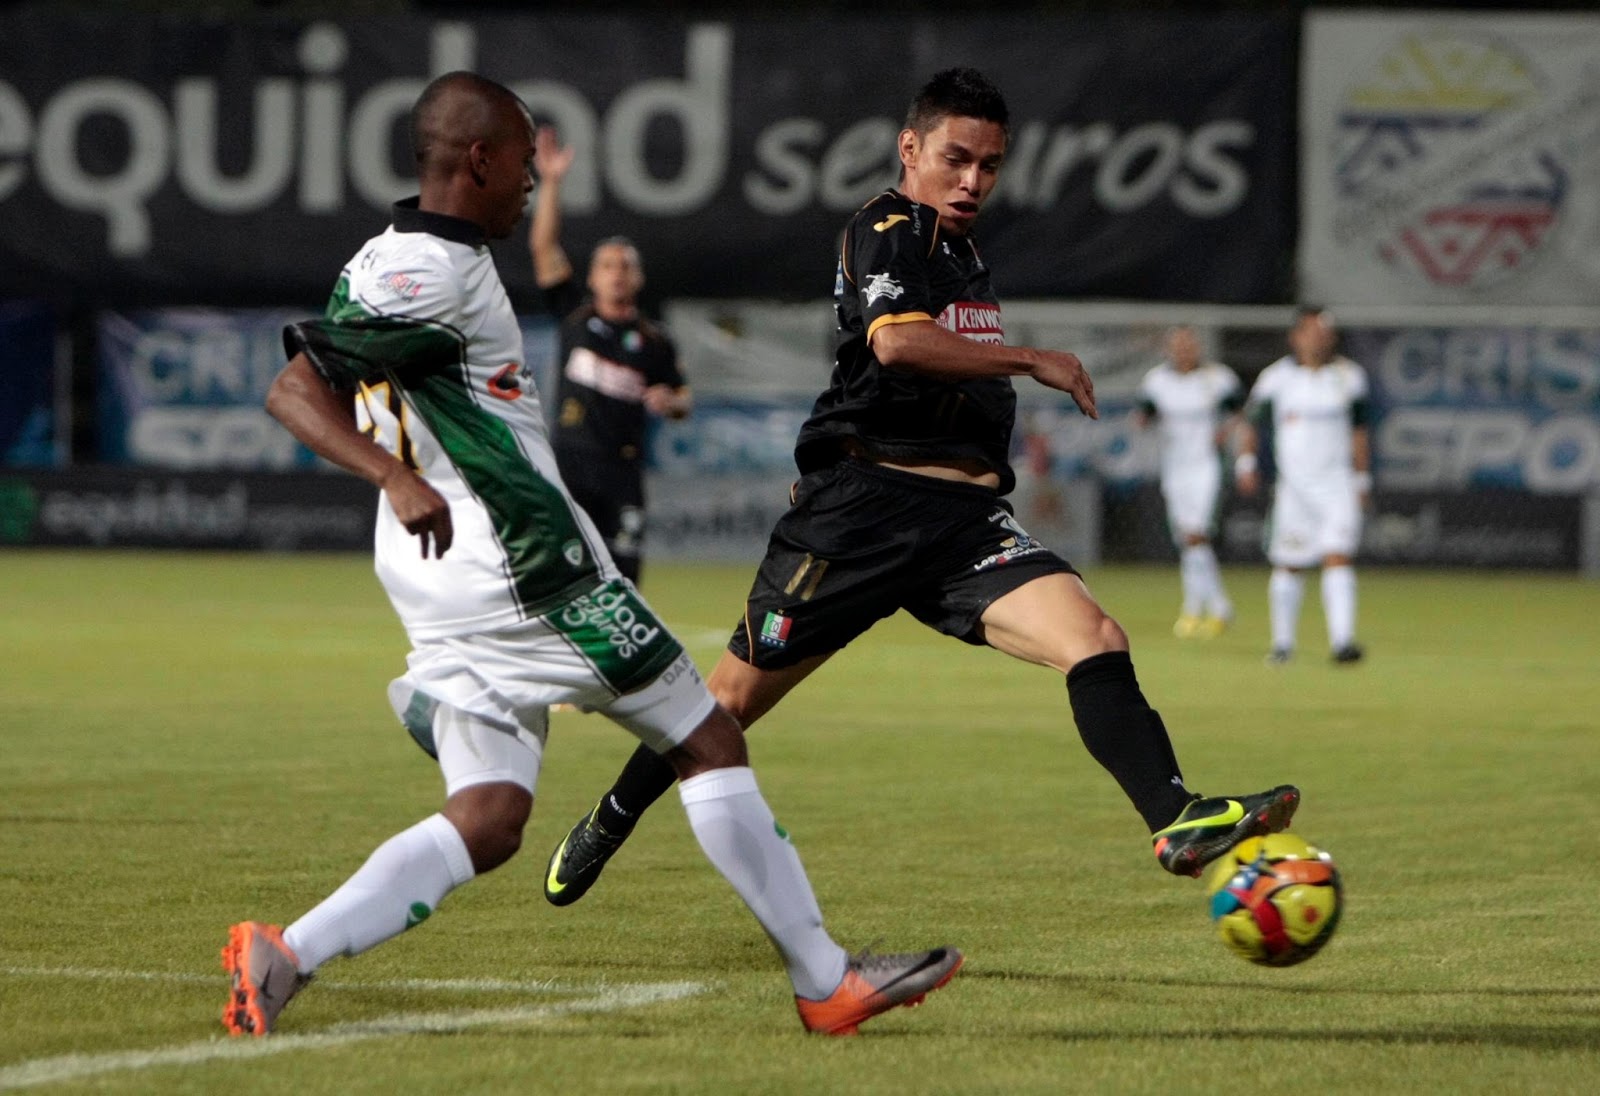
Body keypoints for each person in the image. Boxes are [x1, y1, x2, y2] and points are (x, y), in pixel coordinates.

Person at [221, 72, 960, 1041]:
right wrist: (393, 478)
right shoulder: (425, 272)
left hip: (445, 579)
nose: (530, 179)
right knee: (707, 738)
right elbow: (294, 388)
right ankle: (825, 978)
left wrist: (407, 486)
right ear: (476, 159)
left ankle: (286, 953)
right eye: (523, 161)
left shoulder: (401, 253)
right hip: (525, 567)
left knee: (489, 817)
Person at [542, 67, 1300, 913]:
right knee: (722, 708)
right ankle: (610, 817)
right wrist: (1031, 358)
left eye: (990, 165)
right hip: (861, 515)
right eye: (956, 158)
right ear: (911, 149)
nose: (973, 180)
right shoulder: (887, 225)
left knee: (1095, 635)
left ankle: (1175, 816)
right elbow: (898, 345)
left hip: (964, 526)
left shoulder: (964, 254)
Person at [527, 127, 690, 586]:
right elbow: (543, 248)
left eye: (626, 266)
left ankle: (621, 655)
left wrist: (670, 401)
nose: (617, 274)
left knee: (624, 574)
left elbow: (683, 399)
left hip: (624, 468)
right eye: (607, 265)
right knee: (565, 572)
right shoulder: (575, 318)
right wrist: (553, 183)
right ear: (593, 278)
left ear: (638, 279)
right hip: (572, 462)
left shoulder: (654, 340)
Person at [1235, 306, 1371, 665]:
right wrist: (1246, 462)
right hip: (1293, 488)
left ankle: (1343, 642)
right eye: (1309, 332)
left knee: (1338, 555)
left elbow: (1359, 432)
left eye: (1323, 333)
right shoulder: (1276, 379)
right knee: (1288, 563)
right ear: (1295, 337)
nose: (1317, 339)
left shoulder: (1349, 377)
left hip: (1337, 484)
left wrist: (1362, 478)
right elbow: (1252, 426)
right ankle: (1282, 645)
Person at [1132, 326, 1243, 638]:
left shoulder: (1217, 379)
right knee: (1188, 540)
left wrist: (1225, 433)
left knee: (1195, 535)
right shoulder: (1158, 381)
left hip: (1205, 465)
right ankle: (1219, 607)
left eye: (1188, 344)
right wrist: (1141, 422)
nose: (1183, 350)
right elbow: (1145, 415)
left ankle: (1193, 610)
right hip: (1174, 466)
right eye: (1177, 345)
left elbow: (1238, 413)